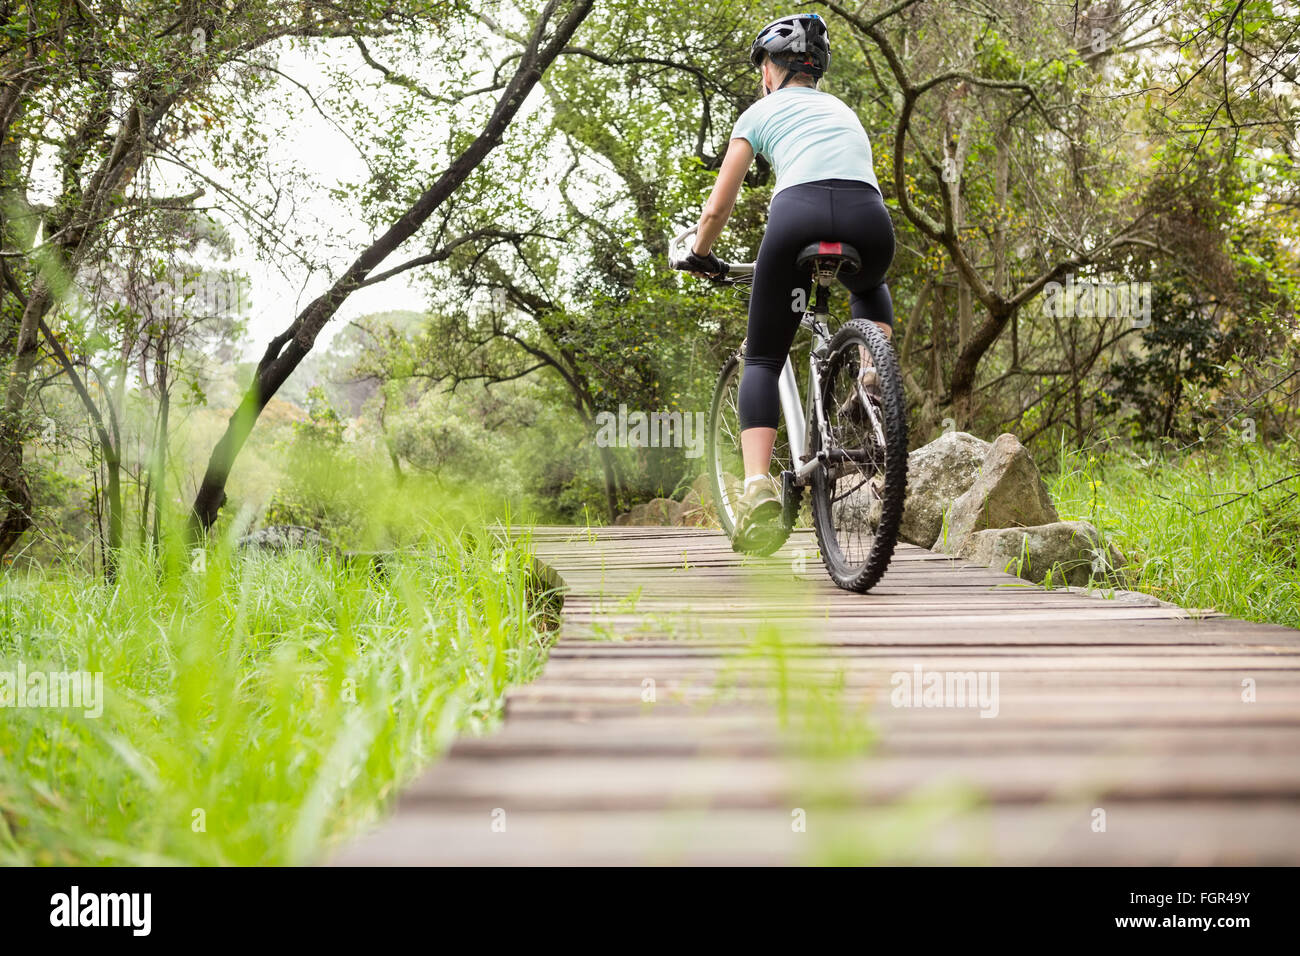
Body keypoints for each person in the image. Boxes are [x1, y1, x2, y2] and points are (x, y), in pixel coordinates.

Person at [679, 13, 896, 553]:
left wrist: (698, 254)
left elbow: (717, 208)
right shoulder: (843, 110)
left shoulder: (760, 111)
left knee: (762, 358)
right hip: (869, 221)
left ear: (771, 69)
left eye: (762, 68)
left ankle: (756, 490)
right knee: (867, 286)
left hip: (796, 216)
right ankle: (874, 377)